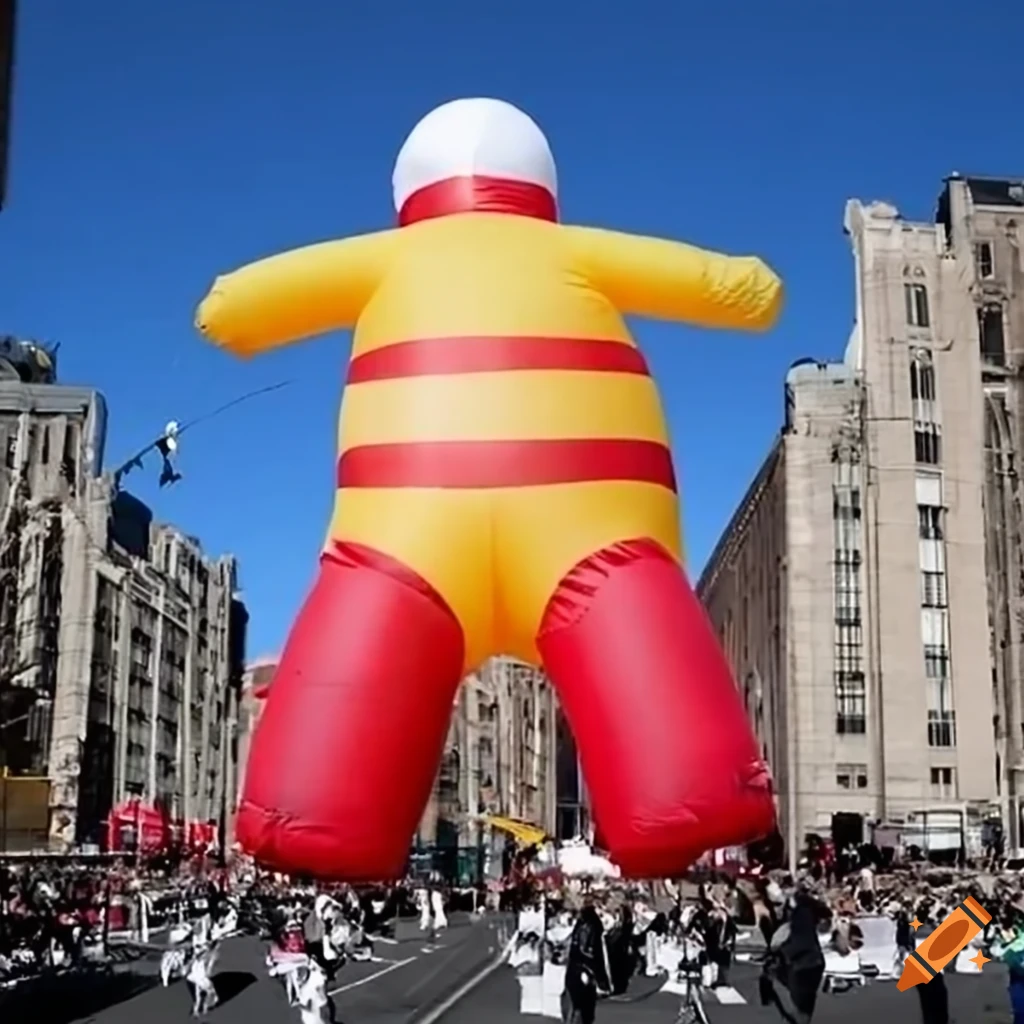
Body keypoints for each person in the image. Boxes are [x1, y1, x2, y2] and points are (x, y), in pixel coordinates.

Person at [563, 904, 610, 1024]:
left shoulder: (580, 926)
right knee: (584, 1005)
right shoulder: (592, 927)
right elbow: (593, 953)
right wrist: (601, 979)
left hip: (575, 969)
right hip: (585, 970)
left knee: (576, 1003)